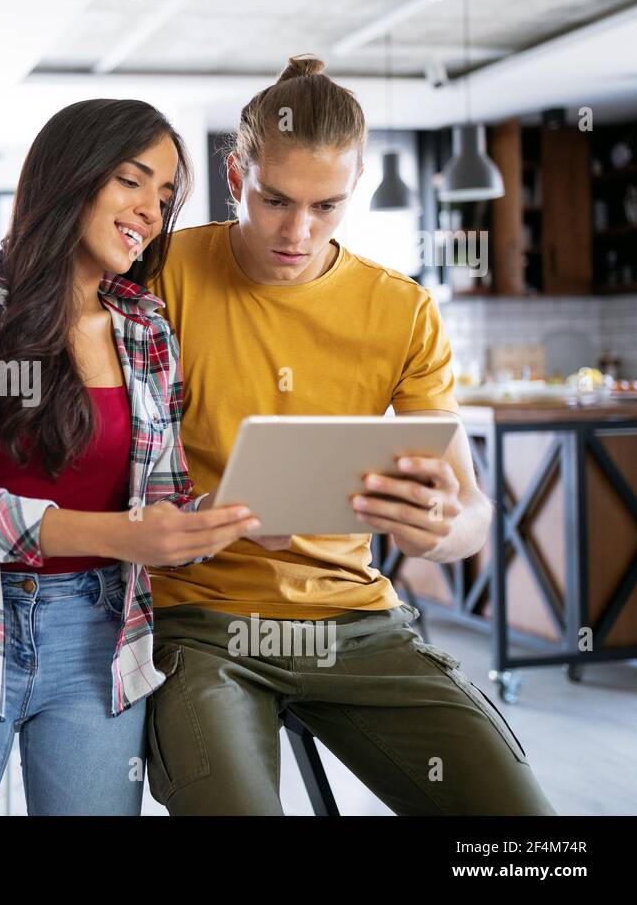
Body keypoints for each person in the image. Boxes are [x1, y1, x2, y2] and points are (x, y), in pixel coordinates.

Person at [140, 55, 554, 815]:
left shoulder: (401, 311)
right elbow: (99, 464)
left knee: (524, 834)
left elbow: (471, 518)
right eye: (275, 201)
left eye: (327, 206)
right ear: (236, 178)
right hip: (199, 628)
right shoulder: (162, 276)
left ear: (356, 189)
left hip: (358, 626)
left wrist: (441, 529)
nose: (298, 232)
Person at [0, 99, 261, 816]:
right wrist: (123, 535)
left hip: (103, 640)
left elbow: (163, 499)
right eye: (132, 181)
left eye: (165, 197)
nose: (150, 210)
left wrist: (224, 520)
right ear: (71, 176)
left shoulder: (145, 328)